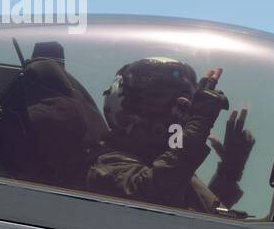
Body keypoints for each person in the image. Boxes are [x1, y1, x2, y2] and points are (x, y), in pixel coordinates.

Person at [86, 57, 255, 215]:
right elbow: (154, 197)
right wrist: (199, 124)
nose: (182, 112)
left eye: (187, 103)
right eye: (169, 101)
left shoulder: (167, 168)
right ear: (127, 107)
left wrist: (229, 172)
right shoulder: (107, 165)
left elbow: (199, 219)